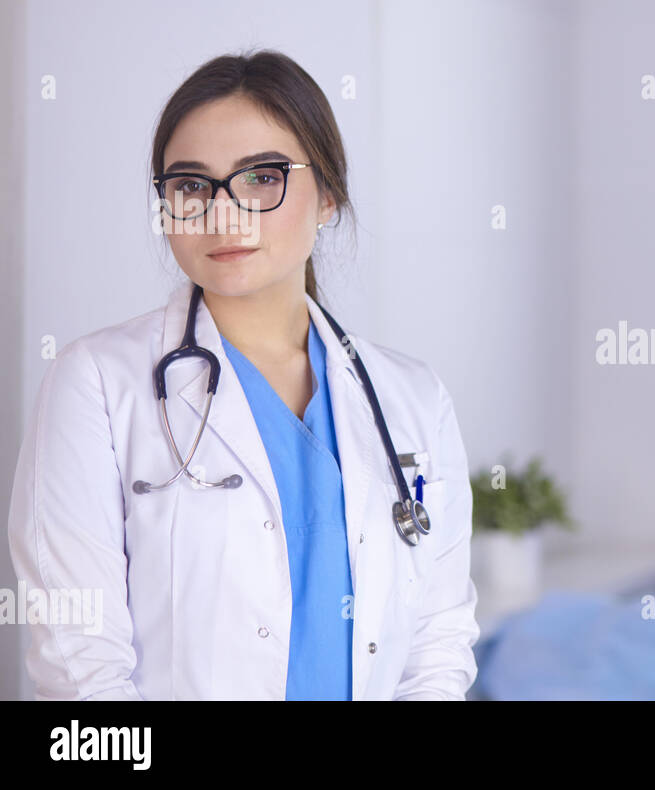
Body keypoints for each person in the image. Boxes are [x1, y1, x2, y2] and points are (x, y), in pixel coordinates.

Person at [7, 50, 478, 700]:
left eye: (262, 177)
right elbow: (76, 664)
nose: (222, 214)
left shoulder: (412, 398)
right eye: (192, 185)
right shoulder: (94, 384)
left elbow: (438, 643)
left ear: (328, 196)